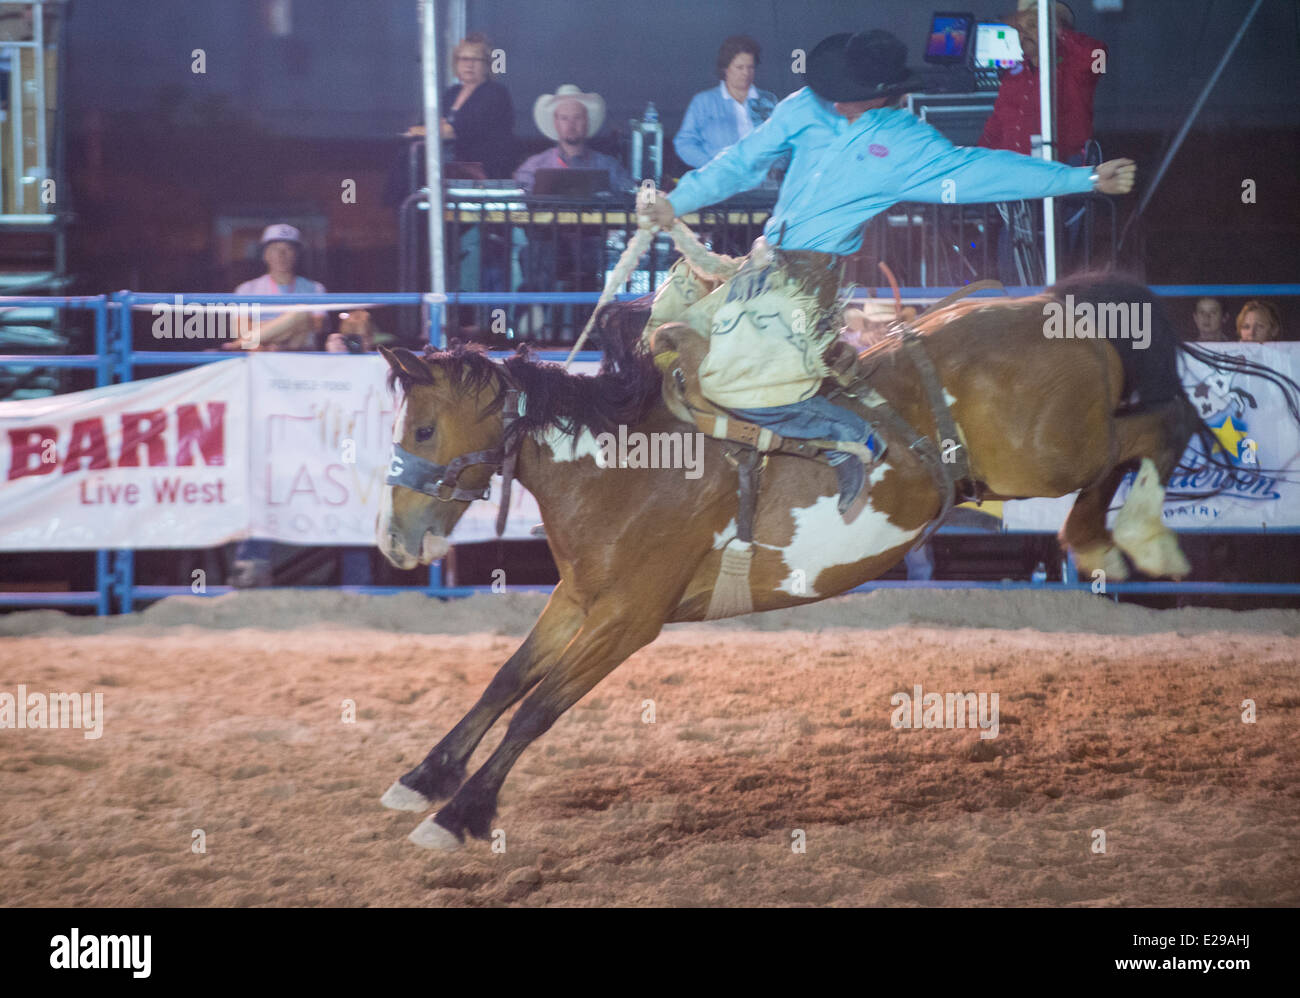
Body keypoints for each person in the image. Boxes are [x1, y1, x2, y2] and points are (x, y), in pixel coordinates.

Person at [640, 28, 1136, 519]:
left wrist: (1085, 178)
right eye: (834, 91)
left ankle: (849, 436)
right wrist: (677, 201)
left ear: (883, 94)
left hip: (806, 287)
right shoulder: (805, 104)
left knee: (730, 379)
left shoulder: (906, 142)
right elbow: (741, 163)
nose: (835, 103)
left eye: (848, 96)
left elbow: (986, 172)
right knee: (669, 336)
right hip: (765, 265)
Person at [979, 1, 1108, 285]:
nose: (1023, 34)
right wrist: (977, 163)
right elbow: (996, 126)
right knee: (1012, 260)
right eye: (1021, 27)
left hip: (1061, 175)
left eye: (1032, 26)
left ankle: (1053, 314)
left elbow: (1099, 55)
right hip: (1016, 181)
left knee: (1057, 261)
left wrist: (1056, 32)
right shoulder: (1014, 75)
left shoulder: (1077, 70)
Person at [675, 35, 780, 169]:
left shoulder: (769, 100)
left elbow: (783, 141)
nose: (746, 73)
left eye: (750, 67)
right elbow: (684, 143)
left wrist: (775, 166)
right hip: (720, 184)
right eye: (739, 67)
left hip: (763, 182)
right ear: (725, 69)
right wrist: (711, 167)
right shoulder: (703, 102)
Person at [513, 84, 634, 194]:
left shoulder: (610, 167)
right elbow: (520, 202)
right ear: (556, 123)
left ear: (586, 122)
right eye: (564, 118)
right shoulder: (533, 167)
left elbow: (630, 194)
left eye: (577, 117)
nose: (571, 125)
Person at [228, 223, 328, 352]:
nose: (281, 255)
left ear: (296, 255)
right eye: (275, 249)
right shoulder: (246, 289)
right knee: (300, 317)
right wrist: (289, 323)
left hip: (297, 348)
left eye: (288, 249)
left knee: (301, 312)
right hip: (258, 349)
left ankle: (239, 345)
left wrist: (270, 329)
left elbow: (317, 326)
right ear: (265, 254)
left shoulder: (315, 288)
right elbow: (241, 329)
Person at [440, 33, 515, 178]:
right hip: (449, 166)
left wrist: (446, 129)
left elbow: (474, 127)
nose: (469, 64)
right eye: (464, 59)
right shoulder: (452, 93)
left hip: (482, 170)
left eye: (476, 59)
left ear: (487, 65)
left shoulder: (496, 93)